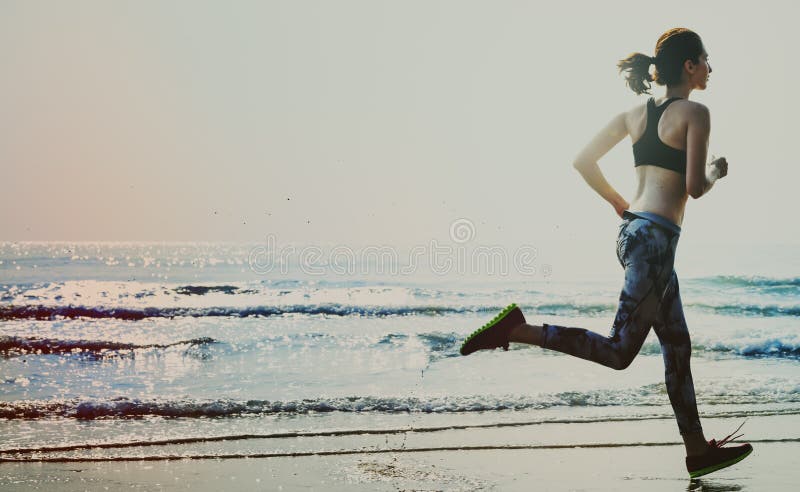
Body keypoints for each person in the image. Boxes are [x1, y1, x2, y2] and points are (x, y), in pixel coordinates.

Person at [458, 27, 752, 479]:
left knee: (677, 344)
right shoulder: (696, 112)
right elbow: (694, 188)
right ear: (690, 66)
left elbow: (583, 160)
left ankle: (697, 451)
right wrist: (714, 171)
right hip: (655, 243)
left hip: (636, 234)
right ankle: (518, 330)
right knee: (619, 352)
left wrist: (619, 203)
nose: (711, 68)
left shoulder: (634, 114)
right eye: (706, 60)